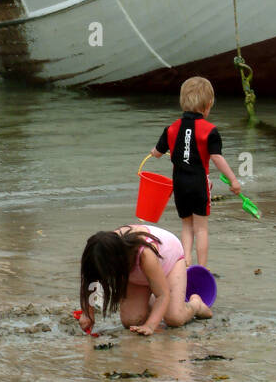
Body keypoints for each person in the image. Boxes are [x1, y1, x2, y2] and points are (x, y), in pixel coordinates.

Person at [150, 76, 242, 267]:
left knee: (186, 225)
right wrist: (233, 180)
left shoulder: (171, 129)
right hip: (199, 184)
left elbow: (157, 153)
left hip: (179, 184)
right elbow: (217, 158)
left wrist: (155, 151)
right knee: (201, 229)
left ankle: (185, 264)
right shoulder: (210, 130)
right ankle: (201, 269)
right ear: (208, 105)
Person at [77, 223, 212, 335]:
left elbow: (163, 295)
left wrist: (150, 326)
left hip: (170, 263)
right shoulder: (100, 252)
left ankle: (196, 304)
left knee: (174, 318)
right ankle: (154, 298)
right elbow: (91, 279)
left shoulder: (145, 254)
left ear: (119, 261)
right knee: (131, 321)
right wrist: (87, 313)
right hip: (139, 274)